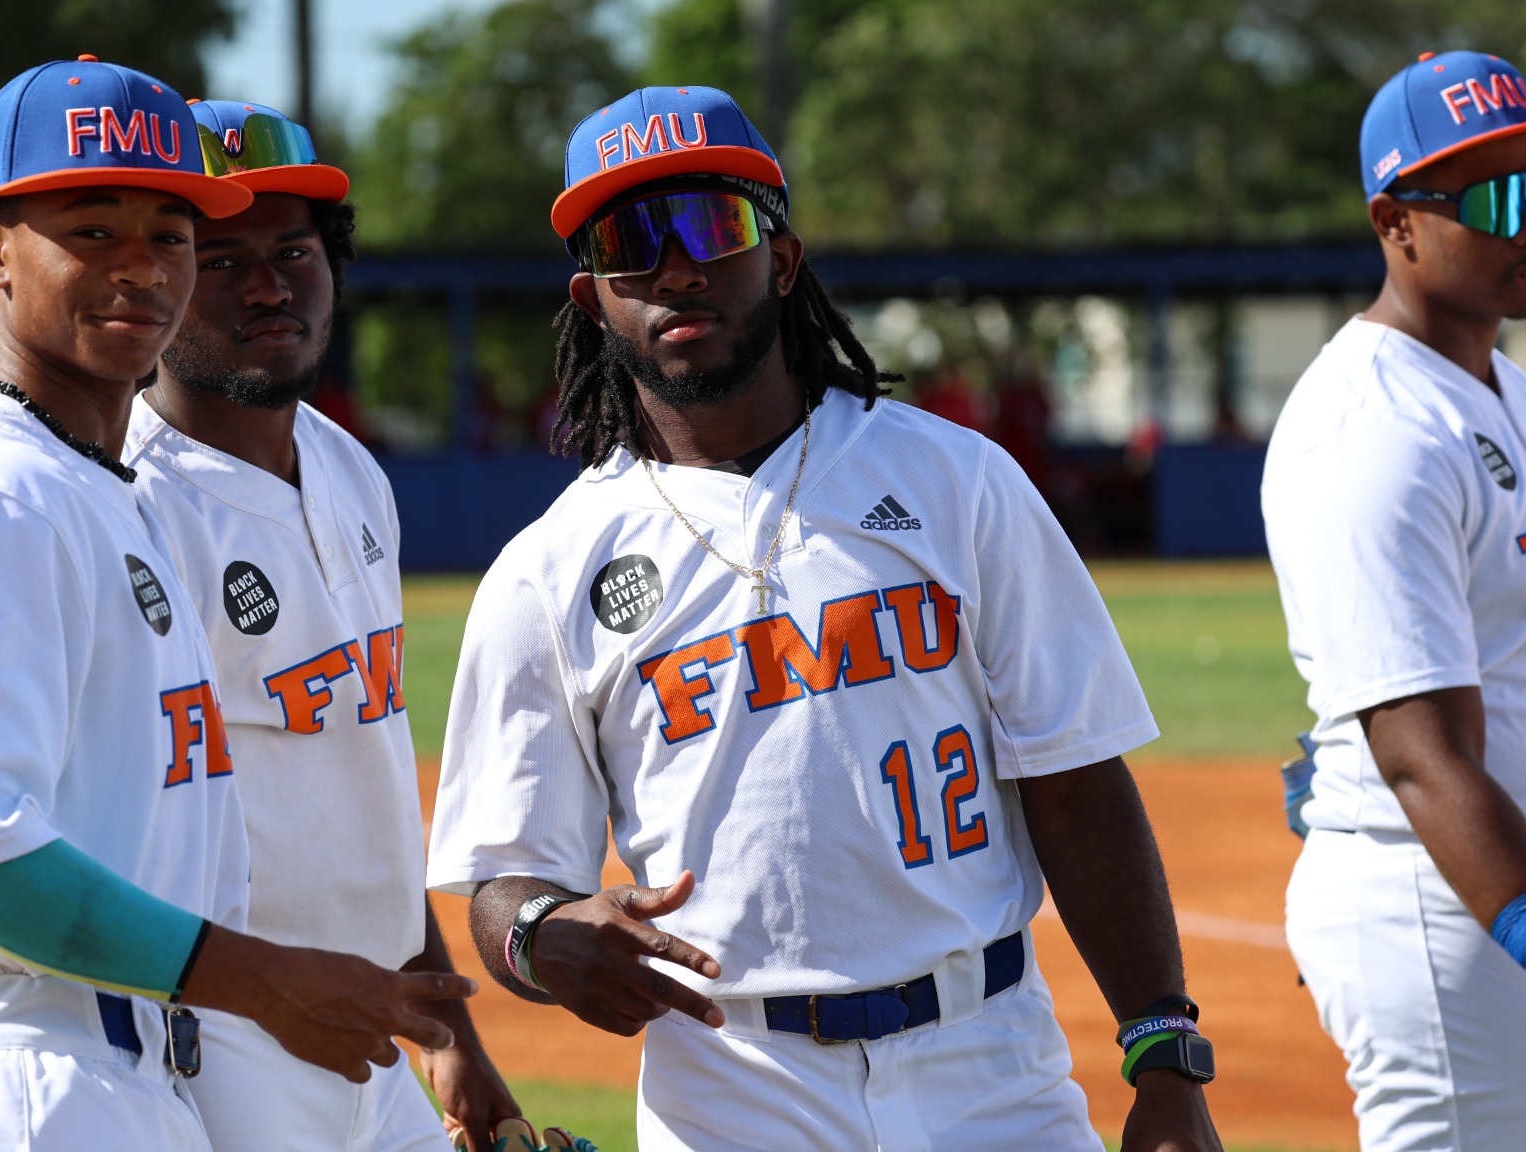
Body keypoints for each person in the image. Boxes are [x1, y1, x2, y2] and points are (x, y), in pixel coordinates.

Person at [425, 86, 1222, 1150]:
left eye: (710, 224)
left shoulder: (954, 479)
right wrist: (538, 933)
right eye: (629, 242)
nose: (675, 268)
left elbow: (1075, 782)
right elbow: (504, 875)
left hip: (989, 1067)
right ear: (592, 298)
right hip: (731, 1091)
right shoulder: (548, 570)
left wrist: (1163, 1051)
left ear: (783, 259)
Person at [0, 59, 473, 1152]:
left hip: (123, 1059)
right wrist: (263, 980)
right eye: (92, 231)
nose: (140, 267)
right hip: (14, 1067)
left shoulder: (96, 488)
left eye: (168, 235)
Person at [1265, 49, 1526, 1150]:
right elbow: (1421, 756)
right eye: (1497, 200)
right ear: (1394, 223)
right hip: (1442, 913)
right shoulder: (1370, 431)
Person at [125, 98, 520, 1152]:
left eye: (293, 251)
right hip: (226, 1040)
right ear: (162, 276)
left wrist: (448, 1034)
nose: (268, 285)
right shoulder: (131, 504)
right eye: (222, 258)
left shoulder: (350, 470)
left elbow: (365, 780)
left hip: (375, 1029)